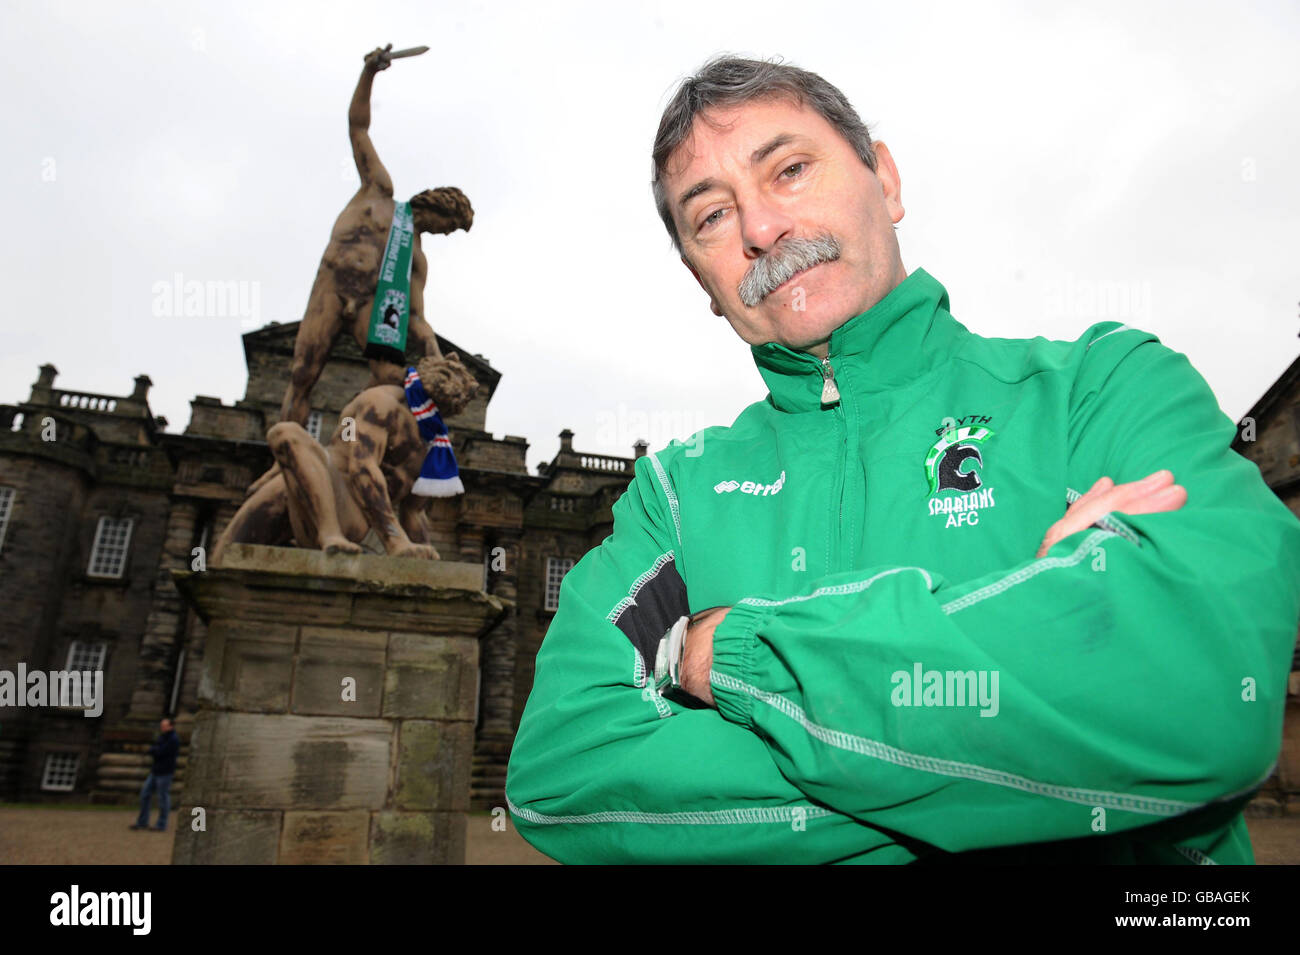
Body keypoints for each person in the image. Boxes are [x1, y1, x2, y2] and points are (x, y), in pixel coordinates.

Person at [504, 54, 1300, 864]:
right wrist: (1037, 688)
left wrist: (735, 656)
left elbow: (1195, 697)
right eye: (710, 216)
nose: (760, 229)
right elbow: (560, 776)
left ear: (884, 178)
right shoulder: (674, 495)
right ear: (703, 284)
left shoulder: (1102, 387)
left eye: (789, 169)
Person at [131, 718, 179, 832]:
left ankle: (161, 824)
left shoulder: (173, 739)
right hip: (155, 771)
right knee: (144, 794)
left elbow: (160, 751)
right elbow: (155, 749)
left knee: (163, 798)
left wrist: (154, 750)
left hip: (165, 772)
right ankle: (142, 822)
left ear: (170, 726)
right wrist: (154, 750)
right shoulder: (163, 737)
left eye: (164, 726)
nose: (162, 728)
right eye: (162, 725)